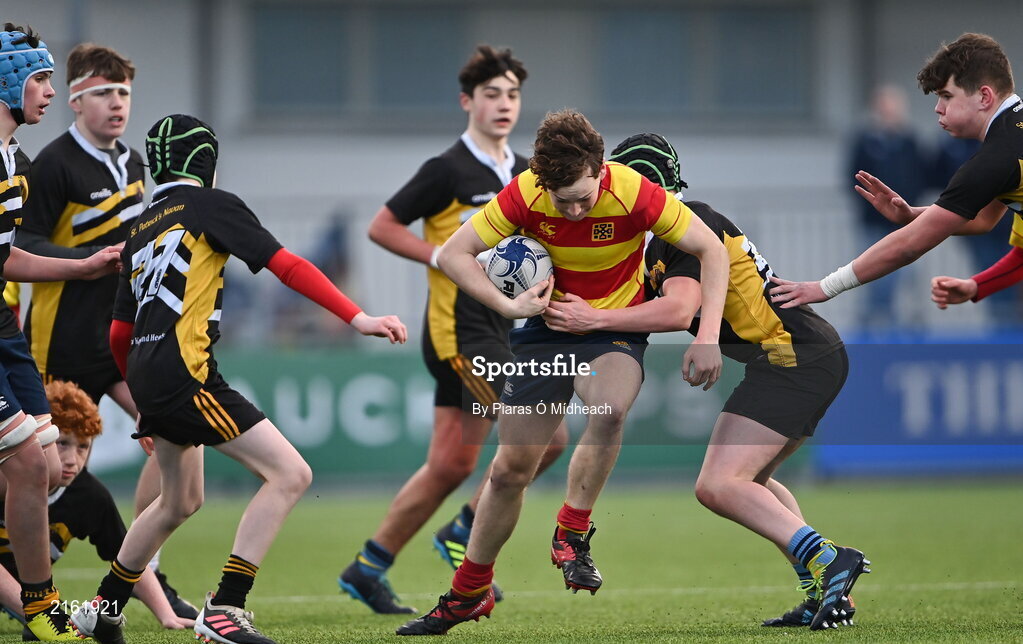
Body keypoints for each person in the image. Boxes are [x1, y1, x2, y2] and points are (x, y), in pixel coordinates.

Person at [68, 114, 408, 644]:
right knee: (291, 474)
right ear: (207, 163)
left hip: (148, 372)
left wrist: (143, 403)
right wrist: (357, 317)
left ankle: (103, 608)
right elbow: (287, 265)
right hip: (187, 373)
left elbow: (118, 333)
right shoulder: (212, 205)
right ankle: (226, 607)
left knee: (179, 502)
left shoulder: (140, 227)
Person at [396, 110, 730, 636]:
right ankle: (468, 593)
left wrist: (708, 336)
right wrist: (506, 309)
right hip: (543, 334)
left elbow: (711, 249)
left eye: (583, 195)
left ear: (600, 169)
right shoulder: (525, 192)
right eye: (562, 200)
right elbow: (454, 253)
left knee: (611, 406)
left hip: (609, 331)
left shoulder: (636, 192)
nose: (574, 210)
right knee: (509, 472)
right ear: (542, 183)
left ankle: (572, 531)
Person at [548, 133, 869, 630]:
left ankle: (829, 560)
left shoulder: (678, 229)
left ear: (640, 184)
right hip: (799, 355)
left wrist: (592, 319)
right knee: (751, 482)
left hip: (791, 357)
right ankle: (821, 587)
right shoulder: (671, 231)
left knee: (718, 485)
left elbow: (679, 309)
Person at [348, 44, 567, 614]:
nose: (503, 104)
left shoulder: (527, 172)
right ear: (467, 101)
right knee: (550, 435)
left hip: (503, 329)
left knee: (451, 463)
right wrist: (443, 256)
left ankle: (368, 567)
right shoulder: (446, 169)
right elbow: (381, 227)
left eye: (512, 94)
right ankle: (464, 532)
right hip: (458, 333)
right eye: (491, 94)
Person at [14, 42, 195, 620]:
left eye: (123, 93)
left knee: (176, 439)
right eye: (102, 93)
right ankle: (27, 589)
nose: (117, 104)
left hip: (119, 339)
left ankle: (148, 569)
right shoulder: (53, 165)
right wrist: (89, 257)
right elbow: (20, 245)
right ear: (73, 101)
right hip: (58, 342)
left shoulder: (136, 163)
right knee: (47, 471)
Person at [0, 23, 124, 641]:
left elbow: (6, 257)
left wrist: (82, 265)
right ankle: (41, 610)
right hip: (22, 334)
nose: (48, 90)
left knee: (45, 463)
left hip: (4, 328)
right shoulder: (40, 165)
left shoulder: (15, 162)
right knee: (26, 459)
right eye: (41, 78)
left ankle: (35, 603)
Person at [770, 33, 1023, 311]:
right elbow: (984, 220)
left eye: (947, 96)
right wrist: (978, 285)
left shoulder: (997, 157)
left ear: (984, 96)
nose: (938, 109)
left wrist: (824, 286)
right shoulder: (1010, 142)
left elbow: (910, 245)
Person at [0, 380, 193, 639]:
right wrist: (40, 612)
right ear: (39, 440)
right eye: (63, 444)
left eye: (83, 447)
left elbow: (127, 555)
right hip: (29, 599)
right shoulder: (7, 478)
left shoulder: (89, 496)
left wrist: (165, 613)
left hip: (29, 597)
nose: (71, 459)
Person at [846, 85, 930, 329]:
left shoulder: (910, 141)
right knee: (875, 276)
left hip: (906, 225)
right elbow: (851, 176)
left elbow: (921, 175)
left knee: (906, 277)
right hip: (873, 224)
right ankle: (876, 327)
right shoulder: (865, 142)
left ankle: (903, 328)